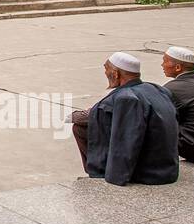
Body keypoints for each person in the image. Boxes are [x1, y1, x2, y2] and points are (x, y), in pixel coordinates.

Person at [70, 52, 179, 186]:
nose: (105, 73)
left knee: (81, 128)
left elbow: (127, 139)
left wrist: (115, 178)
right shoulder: (156, 89)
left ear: (116, 73)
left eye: (106, 69)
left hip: (149, 173)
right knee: (84, 127)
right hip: (167, 168)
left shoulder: (126, 98)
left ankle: (98, 174)